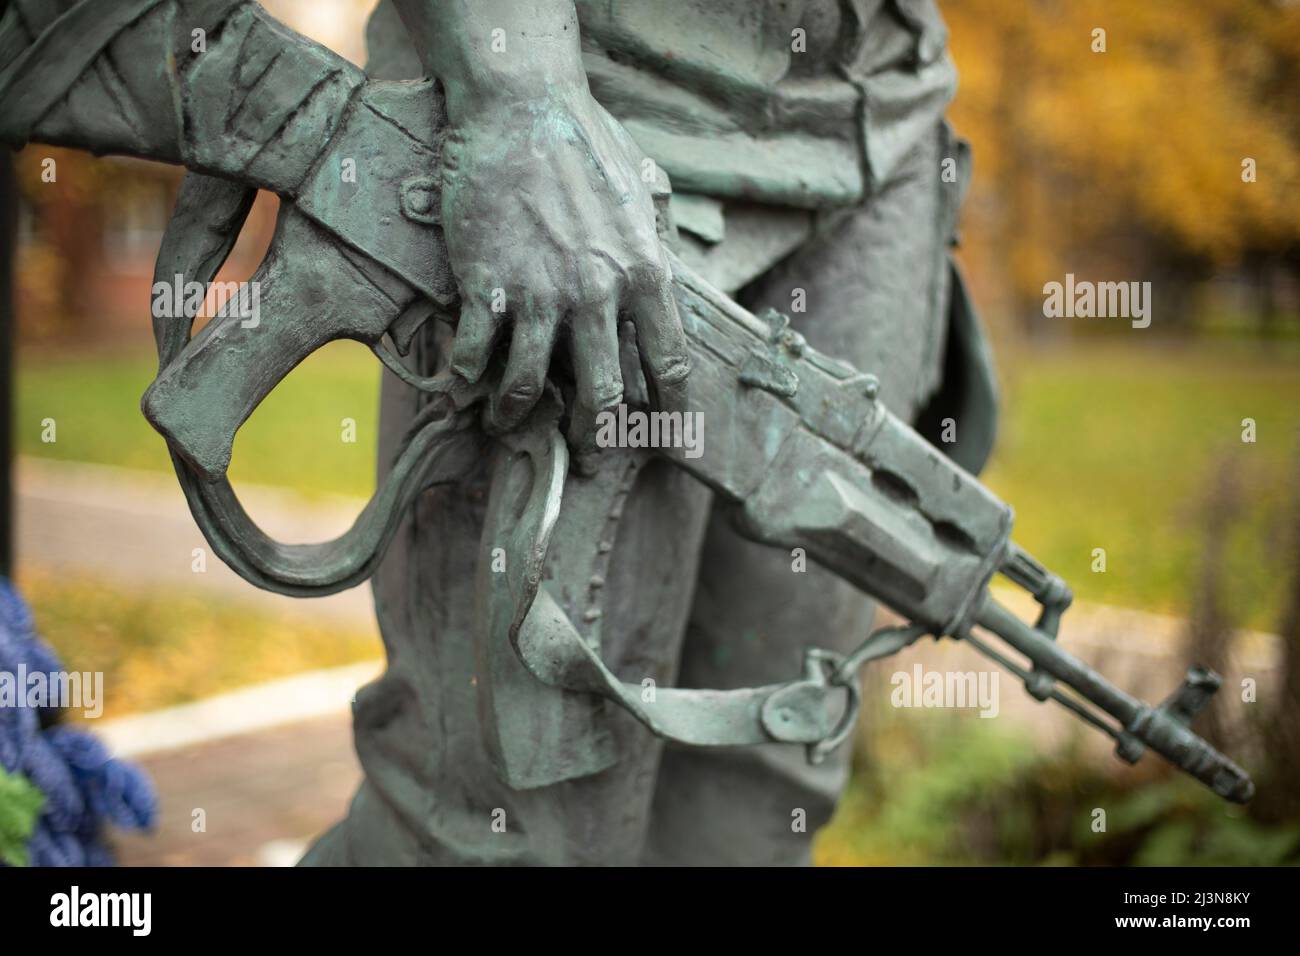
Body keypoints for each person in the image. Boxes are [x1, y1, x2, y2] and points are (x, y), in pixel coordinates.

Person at [302, 0, 996, 866]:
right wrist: (516, 90)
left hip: (877, 125)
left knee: (759, 802)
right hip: (589, 131)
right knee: (496, 830)